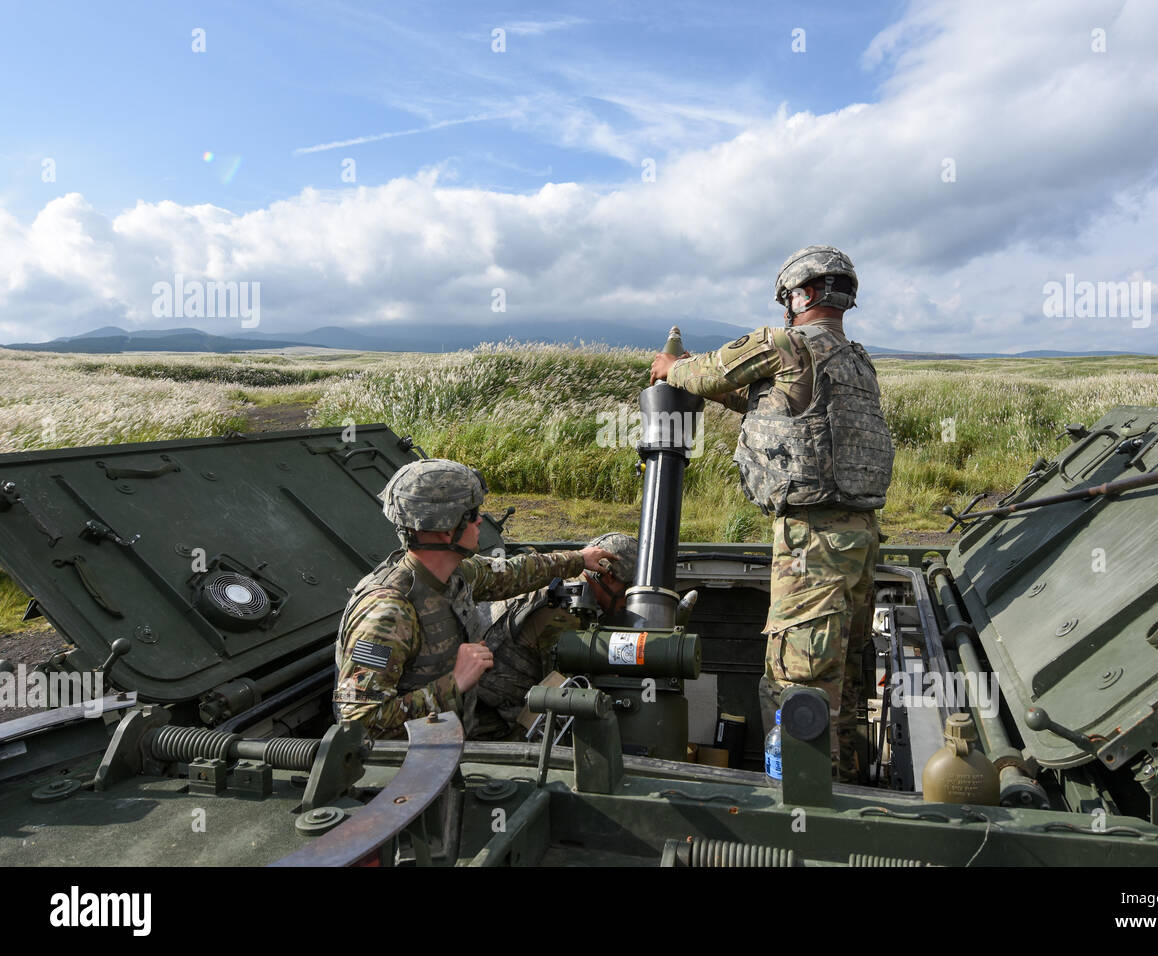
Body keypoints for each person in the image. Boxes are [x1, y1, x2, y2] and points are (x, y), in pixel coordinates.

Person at [649, 245, 894, 779]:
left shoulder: (781, 344)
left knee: (798, 685)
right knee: (843, 682)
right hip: (860, 538)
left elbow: (705, 374)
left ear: (801, 296)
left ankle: (800, 819)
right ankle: (847, 796)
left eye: (788, 297)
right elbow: (784, 408)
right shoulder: (855, 362)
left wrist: (672, 368)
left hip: (812, 544)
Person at [334, 459, 616, 739]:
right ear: (446, 528)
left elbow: (513, 573)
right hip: (409, 771)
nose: (481, 519)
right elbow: (359, 723)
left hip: (450, 741)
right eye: (472, 514)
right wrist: (455, 682)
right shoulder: (388, 612)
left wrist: (578, 559)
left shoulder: (457, 574)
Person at [471, 532, 639, 740]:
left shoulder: (559, 580)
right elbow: (562, 693)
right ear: (608, 575)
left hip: (485, 699)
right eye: (628, 589)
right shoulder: (567, 610)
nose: (629, 599)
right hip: (490, 722)